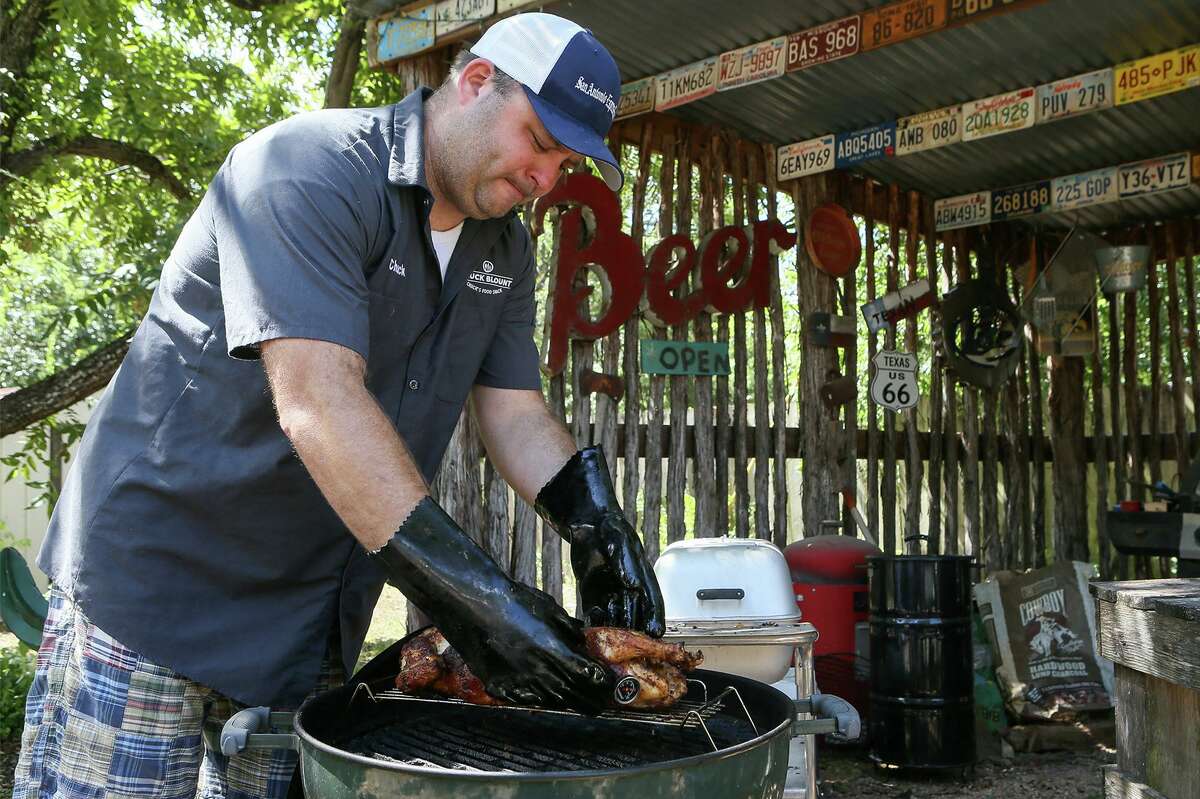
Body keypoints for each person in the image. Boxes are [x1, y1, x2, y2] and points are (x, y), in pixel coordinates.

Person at [13, 12, 664, 799]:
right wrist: (475, 599)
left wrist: (597, 522)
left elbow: (516, 411)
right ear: (477, 80)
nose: (544, 178)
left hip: (306, 621)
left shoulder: (507, 249)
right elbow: (319, 400)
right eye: (538, 139)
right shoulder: (304, 168)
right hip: (160, 589)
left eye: (563, 161)